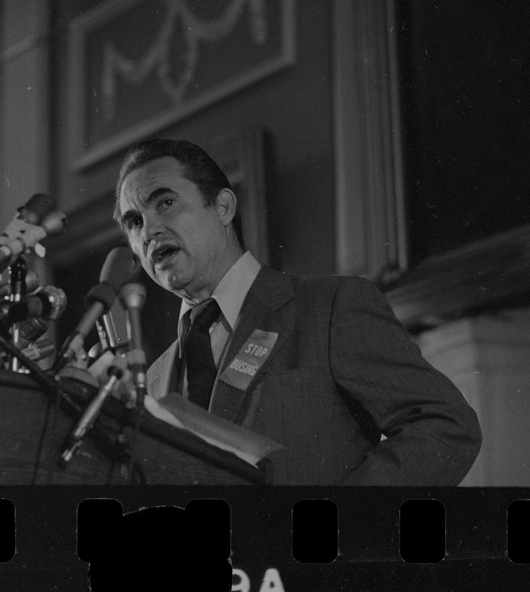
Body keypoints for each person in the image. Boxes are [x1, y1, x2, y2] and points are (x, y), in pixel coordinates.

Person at [113, 138, 482, 485]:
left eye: (165, 203)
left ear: (223, 207)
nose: (149, 231)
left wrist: (338, 520)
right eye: (134, 222)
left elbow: (445, 426)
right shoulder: (153, 380)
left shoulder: (330, 308)